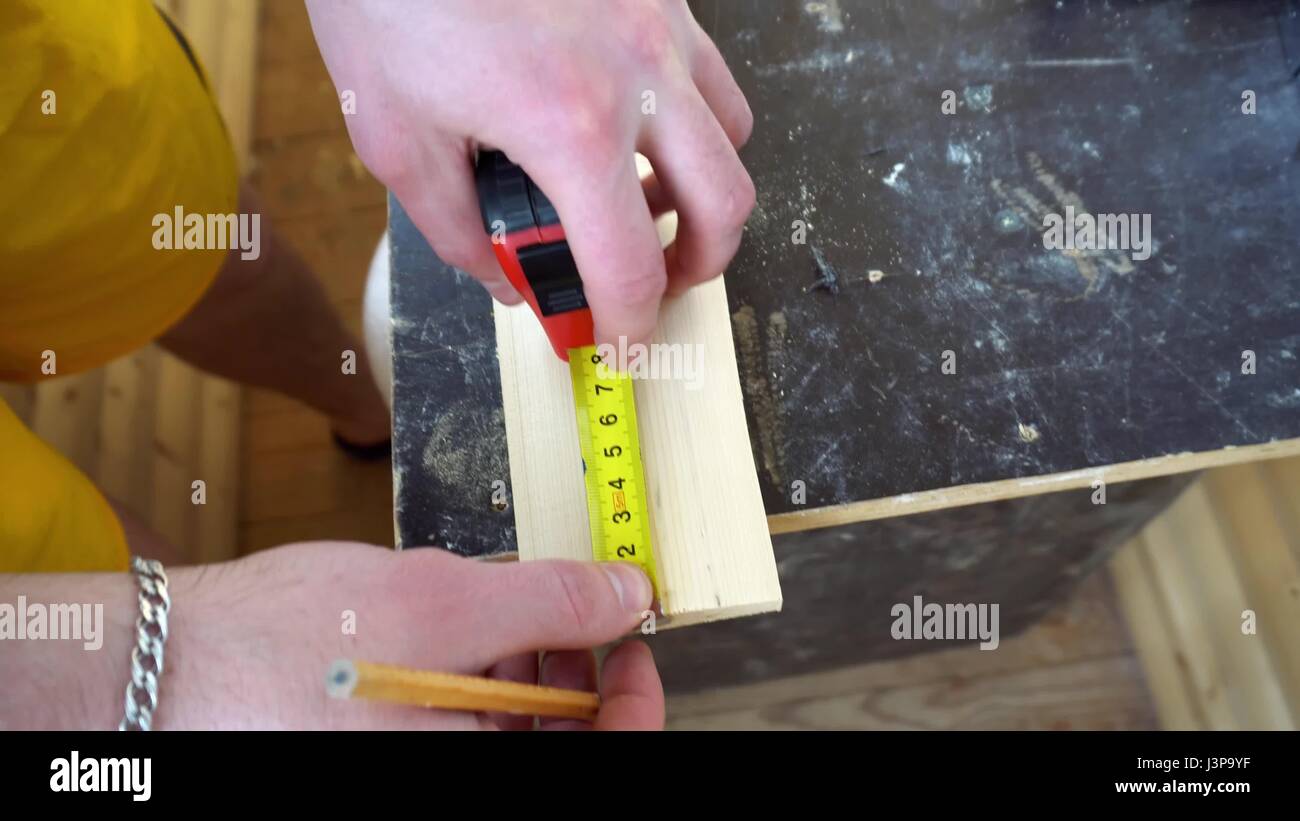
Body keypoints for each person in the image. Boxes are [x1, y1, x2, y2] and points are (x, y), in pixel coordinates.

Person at [0, 0, 754, 729]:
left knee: (187, 240)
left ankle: (360, 413)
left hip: (31, 82)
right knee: (73, 554)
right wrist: (168, 669)